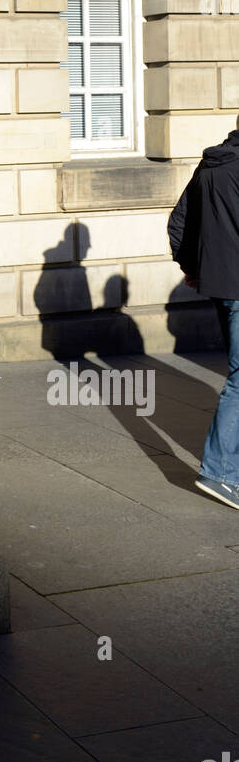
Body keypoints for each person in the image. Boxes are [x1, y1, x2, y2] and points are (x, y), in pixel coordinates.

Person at [168, 121, 239, 508]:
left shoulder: (211, 165)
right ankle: (219, 473)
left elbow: (179, 222)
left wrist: (192, 268)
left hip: (221, 287)